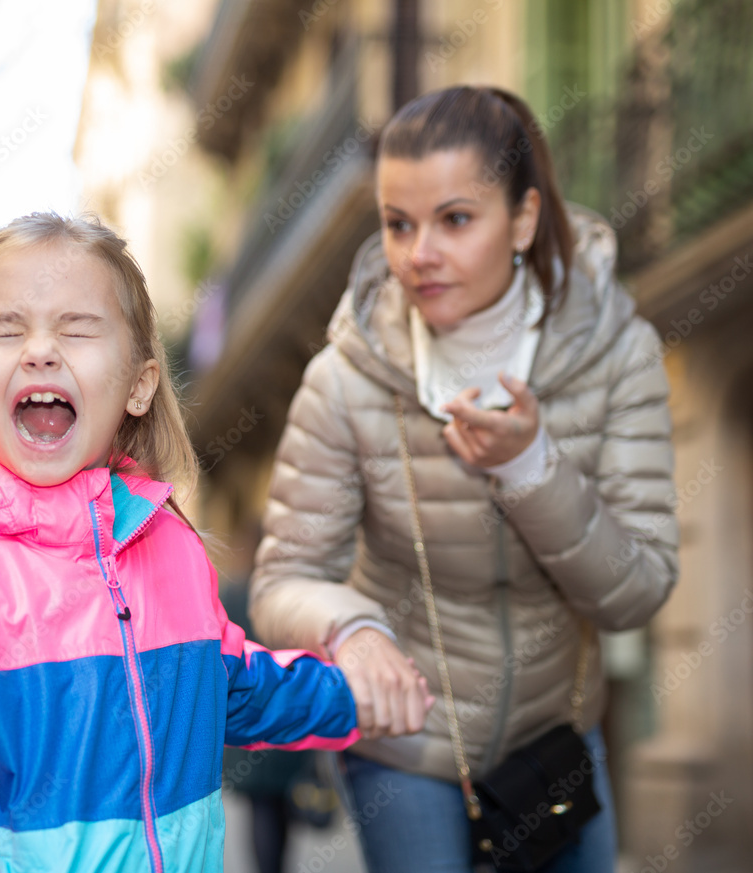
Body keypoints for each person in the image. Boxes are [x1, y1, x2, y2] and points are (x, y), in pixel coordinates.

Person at [0, 213, 434, 873]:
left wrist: (350, 695)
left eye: (76, 328)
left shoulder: (168, 547)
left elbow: (221, 685)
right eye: (8, 328)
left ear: (138, 384)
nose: (40, 349)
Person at [250, 86, 678, 873]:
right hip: (403, 746)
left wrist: (531, 469)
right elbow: (283, 581)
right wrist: (352, 627)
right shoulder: (342, 379)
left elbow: (637, 591)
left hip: (559, 741)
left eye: (455, 219)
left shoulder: (619, 352)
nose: (419, 255)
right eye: (397, 224)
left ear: (522, 219)